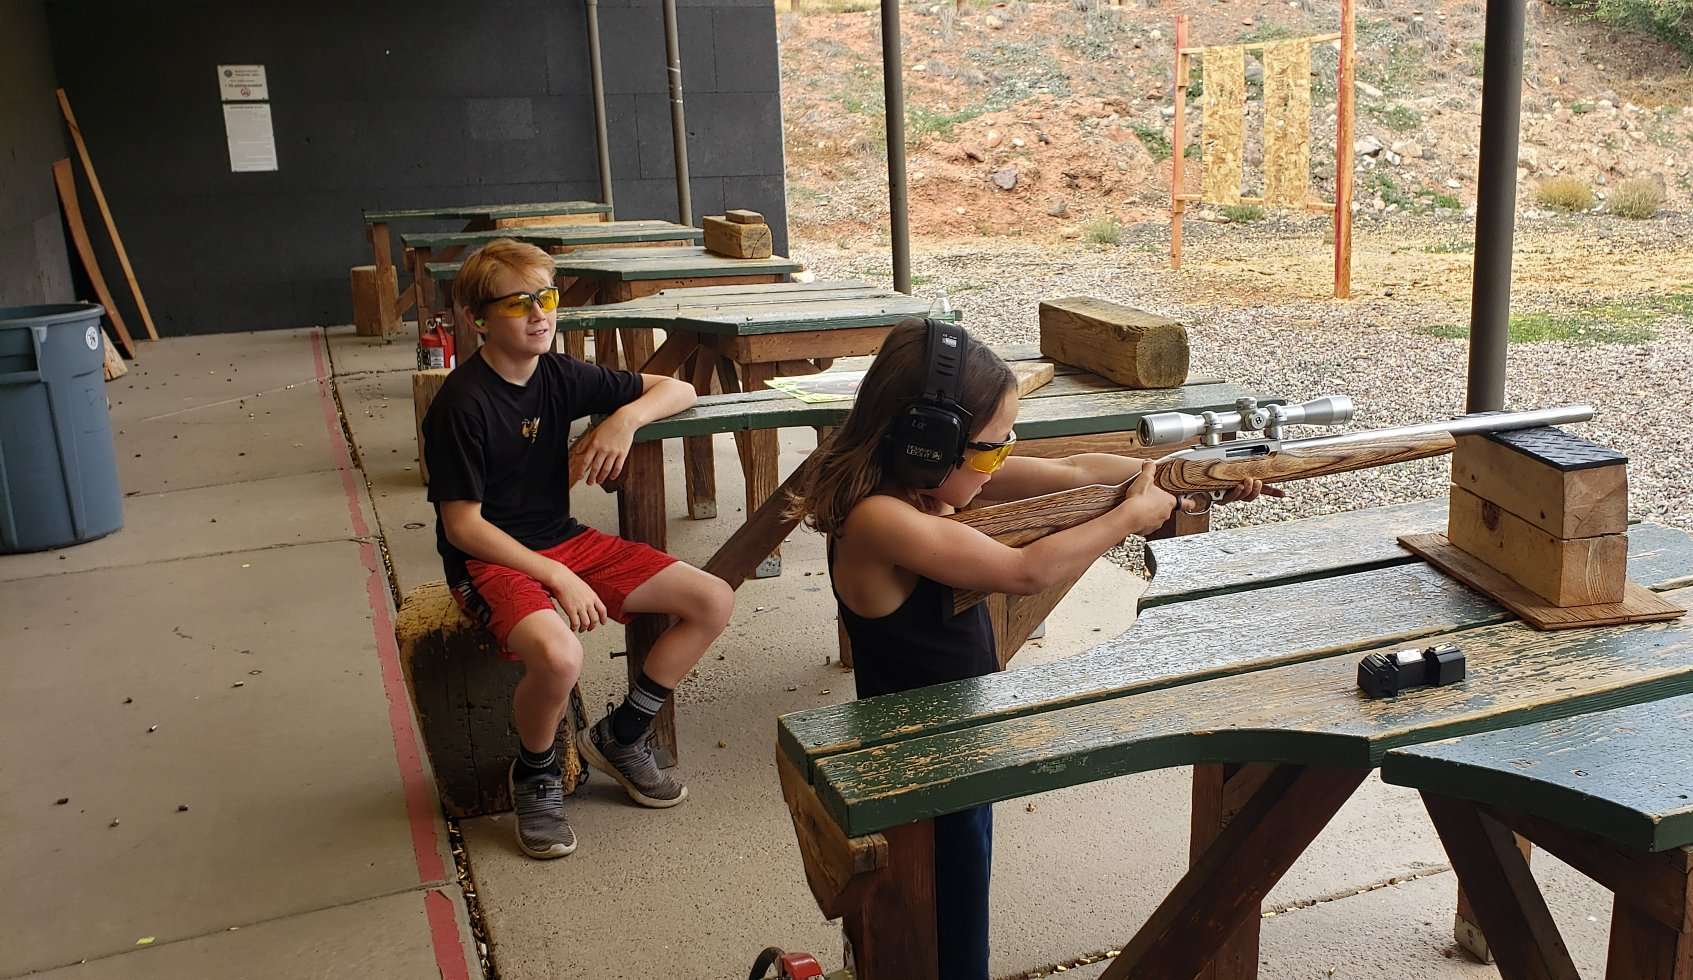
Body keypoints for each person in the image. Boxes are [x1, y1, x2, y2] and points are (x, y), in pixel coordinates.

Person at [788, 318, 1276, 977]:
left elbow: (1072, 472)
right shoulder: (881, 518)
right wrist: (1129, 518)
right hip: (922, 771)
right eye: (989, 449)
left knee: (951, 922)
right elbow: (1026, 573)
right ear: (927, 448)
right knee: (948, 937)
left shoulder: (916, 486)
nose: (1002, 459)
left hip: (958, 745)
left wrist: (1184, 476)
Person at [423, 239, 734, 860]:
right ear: (478, 319)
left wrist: (623, 420)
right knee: (561, 658)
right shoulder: (461, 403)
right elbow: (463, 527)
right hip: (492, 559)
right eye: (519, 303)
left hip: (565, 540)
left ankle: (622, 735)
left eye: (547, 296)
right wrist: (556, 579)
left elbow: (680, 388)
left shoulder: (560, 374)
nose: (540, 313)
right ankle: (537, 770)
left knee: (712, 600)